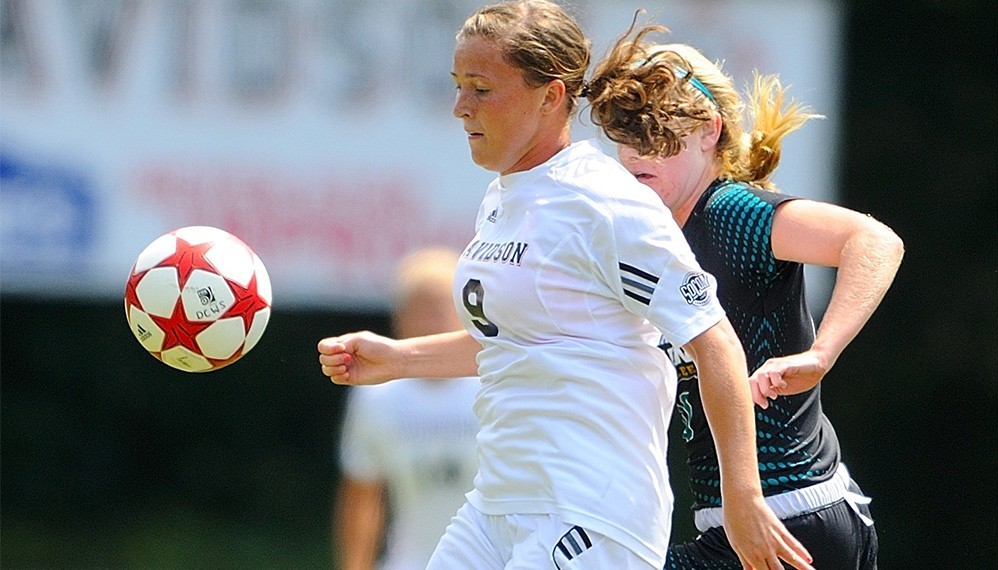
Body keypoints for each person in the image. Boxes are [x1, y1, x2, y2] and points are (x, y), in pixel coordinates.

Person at [320, 2, 813, 569]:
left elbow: (714, 339)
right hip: (497, 505)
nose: (460, 107)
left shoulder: (603, 203)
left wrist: (742, 497)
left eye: (481, 89)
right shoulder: (505, 198)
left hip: (589, 513)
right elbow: (519, 341)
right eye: (458, 86)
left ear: (550, 96)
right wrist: (399, 359)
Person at [585, 22, 904, 569]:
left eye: (658, 135)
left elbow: (873, 240)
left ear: (709, 131)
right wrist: (419, 357)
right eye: (627, 135)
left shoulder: (730, 213)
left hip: (789, 521)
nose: (638, 154)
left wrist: (821, 354)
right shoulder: (652, 240)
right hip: (772, 526)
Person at [333, 247, 480, 570]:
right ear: (399, 316)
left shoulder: (495, 385)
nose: (432, 320)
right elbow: (362, 493)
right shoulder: (376, 397)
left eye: (441, 306)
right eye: (420, 308)